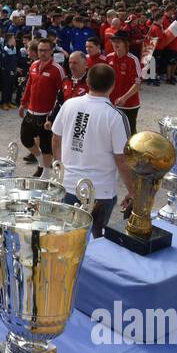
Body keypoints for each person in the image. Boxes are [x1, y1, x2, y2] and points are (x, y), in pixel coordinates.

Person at [50, 63, 136, 237]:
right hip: (100, 191)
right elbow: (122, 159)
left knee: (66, 239)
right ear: (113, 85)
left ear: (87, 81)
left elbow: (56, 138)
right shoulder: (116, 116)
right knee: (94, 243)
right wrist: (133, 190)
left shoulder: (69, 104)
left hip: (67, 185)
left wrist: (61, 169)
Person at [18, 39, 63, 176]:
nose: (42, 53)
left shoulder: (57, 69)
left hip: (46, 115)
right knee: (25, 138)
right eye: (40, 50)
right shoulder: (33, 65)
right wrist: (22, 104)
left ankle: (45, 173)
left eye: (45, 50)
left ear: (51, 51)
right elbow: (29, 87)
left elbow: (61, 94)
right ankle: (41, 163)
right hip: (31, 111)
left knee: (46, 146)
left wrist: (54, 115)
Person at [103, 32, 141, 136]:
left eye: (118, 42)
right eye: (113, 41)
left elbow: (137, 84)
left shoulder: (133, 59)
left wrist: (124, 98)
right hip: (111, 103)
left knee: (129, 132)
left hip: (129, 104)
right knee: (111, 132)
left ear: (126, 43)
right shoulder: (109, 57)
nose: (115, 44)